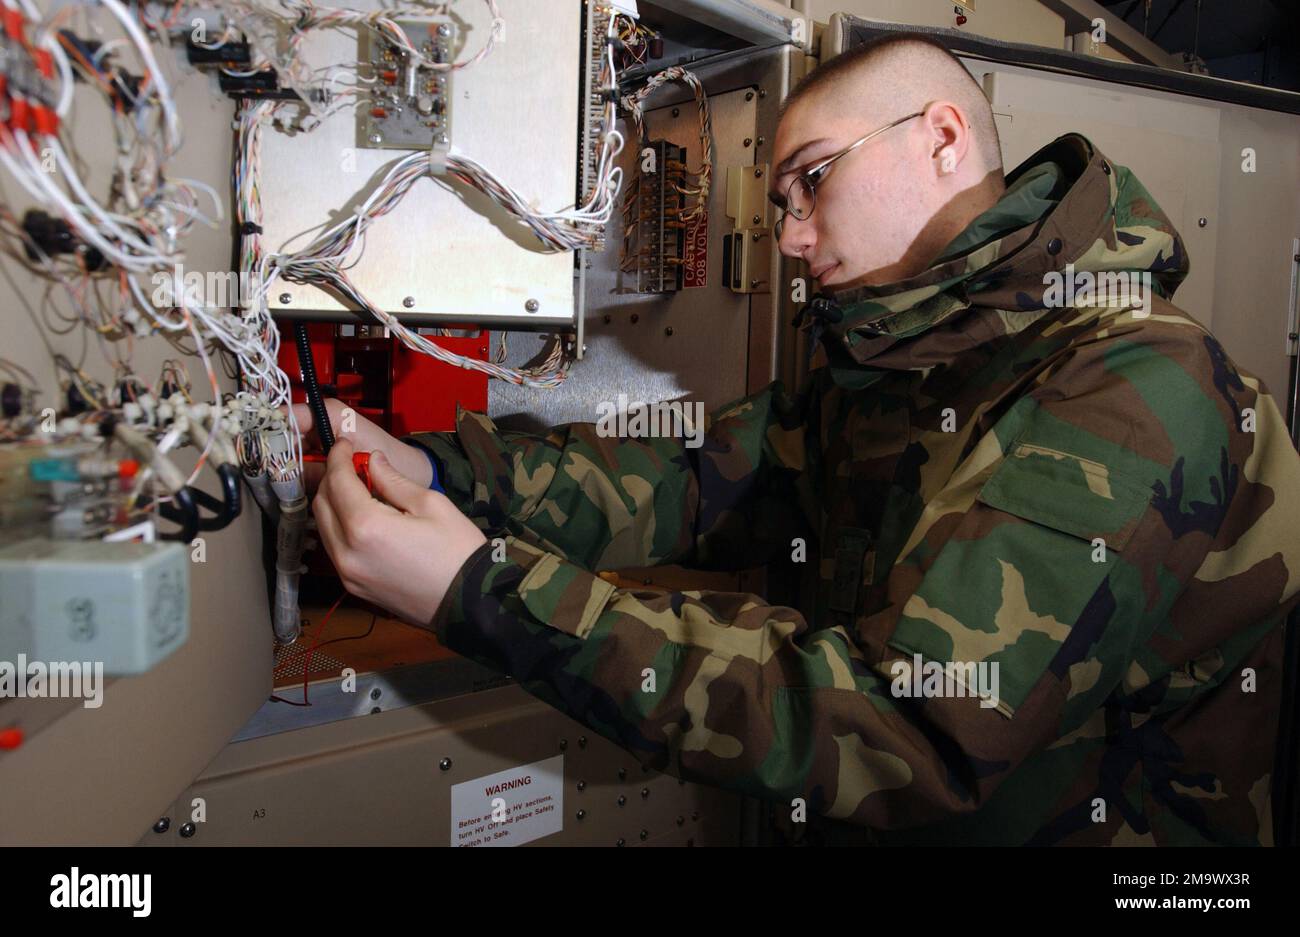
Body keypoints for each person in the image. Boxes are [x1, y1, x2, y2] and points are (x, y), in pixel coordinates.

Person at [297, 34, 1300, 845]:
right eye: (779, 204)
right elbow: (692, 476)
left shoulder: (1130, 389)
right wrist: (437, 470)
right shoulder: (909, 362)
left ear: (943, 137)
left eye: (811, 182)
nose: (788, 239)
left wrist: (481, 590)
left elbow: (907, 730)